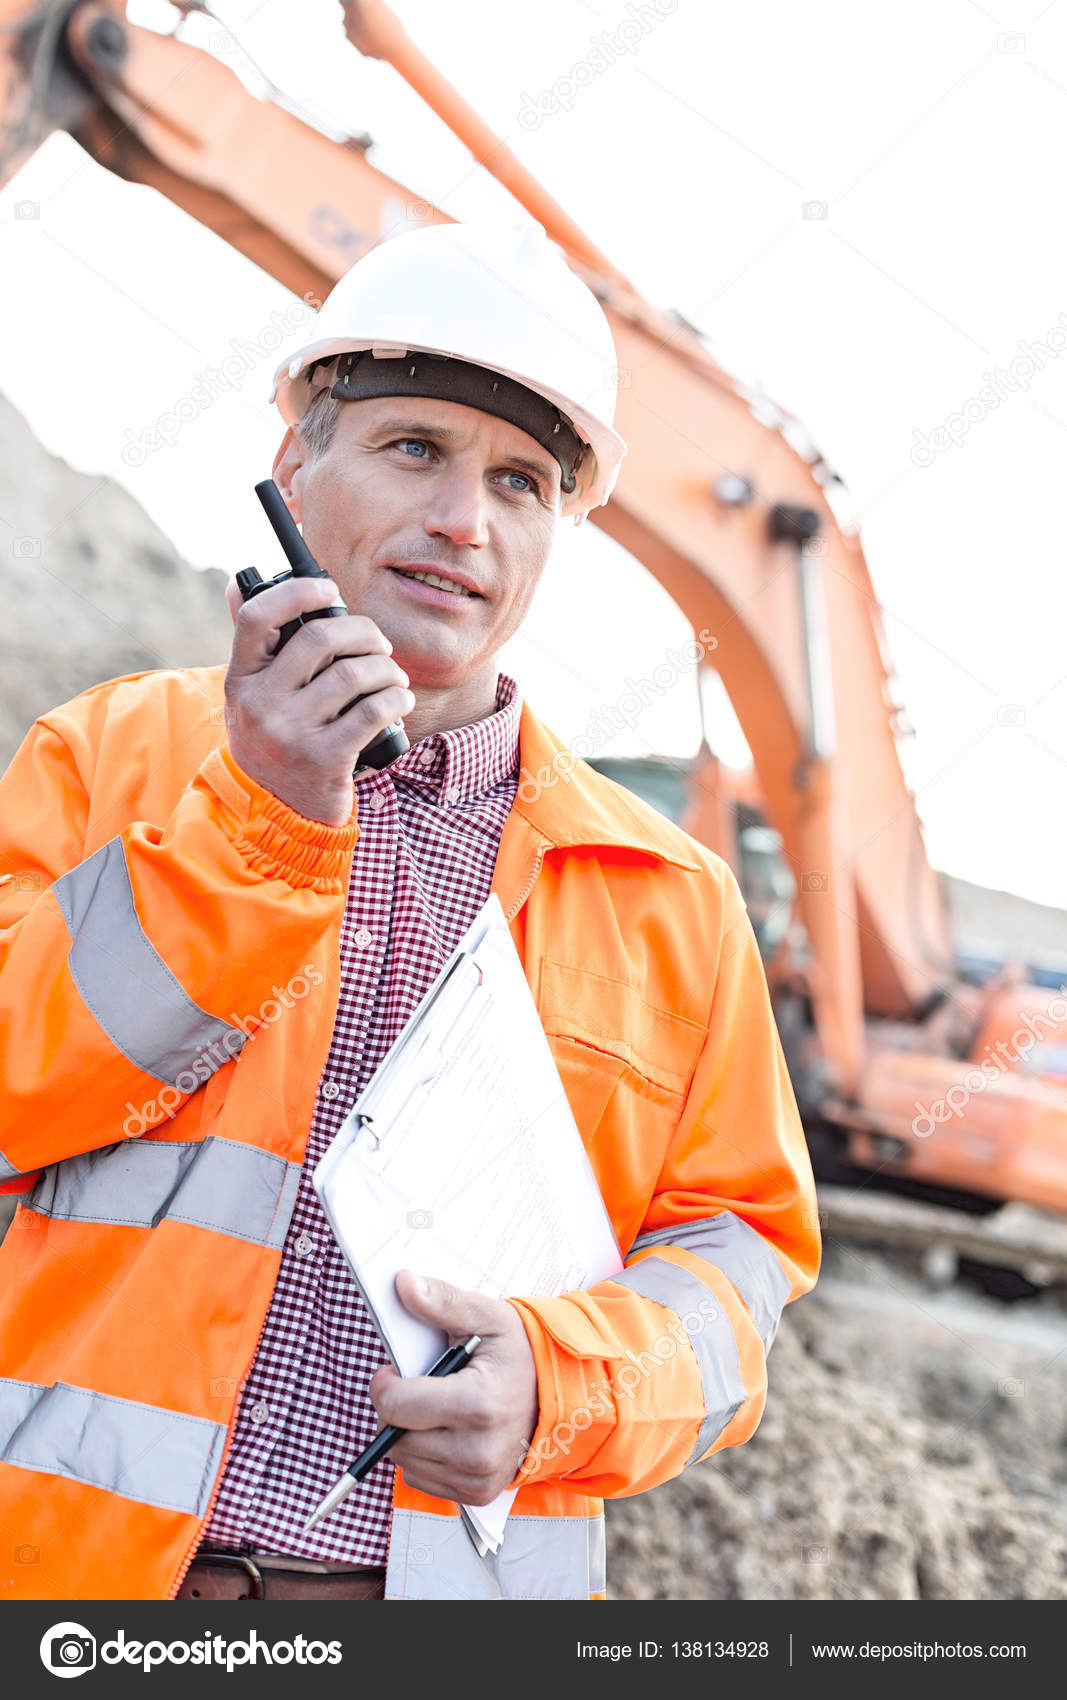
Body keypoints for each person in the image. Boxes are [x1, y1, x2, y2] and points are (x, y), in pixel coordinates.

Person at [0, 220, 820, 1602]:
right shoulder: (105, 763)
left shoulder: (667, 899)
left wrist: (562, 1388)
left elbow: (736, 1274)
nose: (465, 523)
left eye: (521, 481)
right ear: (293, 472)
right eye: (413, 450)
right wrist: (260, 811)